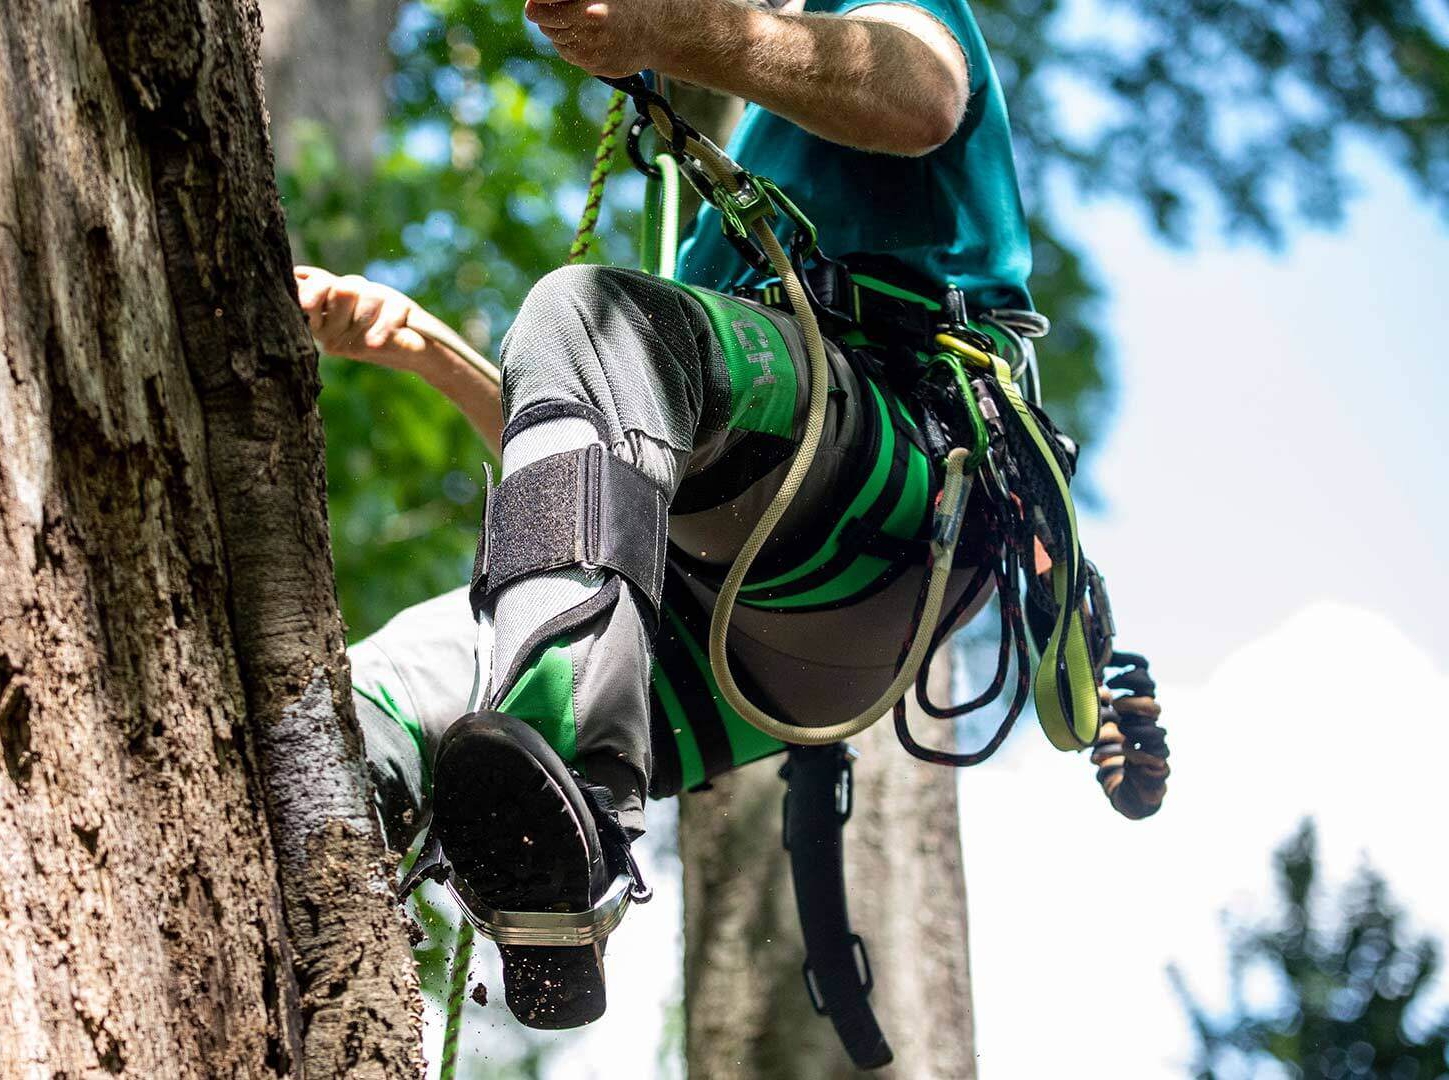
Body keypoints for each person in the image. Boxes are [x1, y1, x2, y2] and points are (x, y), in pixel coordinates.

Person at [295, 0, 1166, 1032]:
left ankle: (574, 808)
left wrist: (668, 34)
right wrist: (427, 351)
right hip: (743, 641)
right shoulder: (715, 239)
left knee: (592, 314)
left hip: (893, 482)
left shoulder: (873, 20)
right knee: (369, 698)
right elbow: (592, 478)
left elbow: (923, 97)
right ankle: (429, 880)